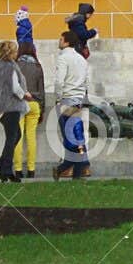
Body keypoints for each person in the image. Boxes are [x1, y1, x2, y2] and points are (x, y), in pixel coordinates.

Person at [0, 40, 31, 183]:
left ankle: (1, 165)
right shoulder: (10, 67)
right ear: (11, 53)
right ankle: (5, 170)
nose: (17, 54)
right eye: (15, 51)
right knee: (12, 137)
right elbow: (15, 87)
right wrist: (25, 94)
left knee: (15, 136)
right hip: (9, 106)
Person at [52, 30, 92, 179]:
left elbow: (59, 81)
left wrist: (58, 97)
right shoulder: (82, 59)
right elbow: (87, 80)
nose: (59, 41)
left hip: (66, 99)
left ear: (67, 42)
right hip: (78, 100)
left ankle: (65, 167)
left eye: (61, 39)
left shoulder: (63, 58)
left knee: (69, 137)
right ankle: (78, 170)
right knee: (76, 135)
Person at [14, 41, 45, 179]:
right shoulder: (38, 66)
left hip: (18, 103)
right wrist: (42, 109)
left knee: (18, 137)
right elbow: (42, 91)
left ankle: (18, 169)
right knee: (31, 137)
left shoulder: (15, 66)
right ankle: (31, 169)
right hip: (34, 103)